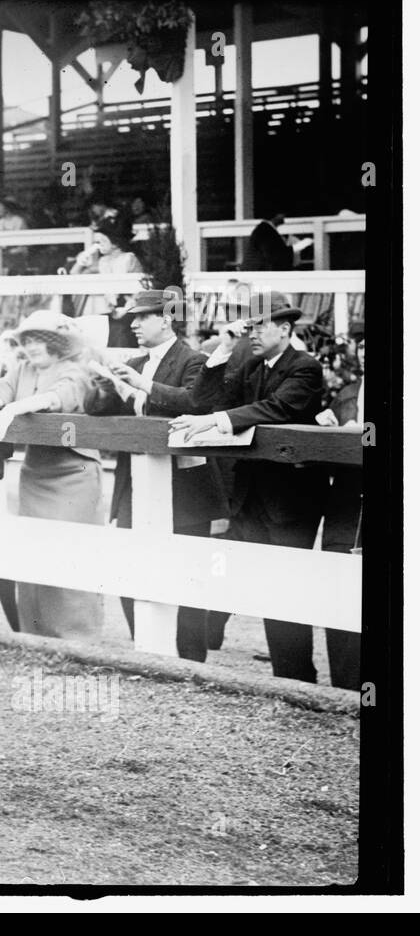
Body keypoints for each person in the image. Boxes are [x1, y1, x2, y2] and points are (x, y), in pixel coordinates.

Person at [171, 292, 328, 684]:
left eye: (259, 325)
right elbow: (204, 400)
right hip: (251, 499)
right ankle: (263, 675)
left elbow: (277, 408)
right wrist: (224, 347)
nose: (251, 333)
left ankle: (296, 681)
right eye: (249, 325)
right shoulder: (252, 365)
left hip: (290, 501)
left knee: (285, 593)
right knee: (236, 579)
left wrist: (219, 421)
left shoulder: (304, 367)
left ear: (285, 329)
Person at [84, 289, 227, 661]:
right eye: (132, 317)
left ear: (166, 319)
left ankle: (191, 662)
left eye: (141, 317)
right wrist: (99, 382)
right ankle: (148, 653)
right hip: (135, 484)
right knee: (129, 570)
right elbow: (101, 410)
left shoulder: (196, 361)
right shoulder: (133, 361)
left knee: (187, 575)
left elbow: (196, 402)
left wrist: (141, 383)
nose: (132, 324)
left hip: (186, 488)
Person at [0, 310, 104, 640]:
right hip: (34, 473)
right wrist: (0, 353)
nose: (33, 345)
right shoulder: (21, 368)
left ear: (56, 343)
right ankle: (35, 635)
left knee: (68, 555)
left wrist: (14, 409)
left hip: (74, 475)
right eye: (28, 339)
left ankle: (77, 638)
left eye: (41, 339)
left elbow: (59, 398)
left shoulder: (73, 369)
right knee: (32, 555)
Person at [317, 323, 364, 689]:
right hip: (345, 506)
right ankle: (344, 685)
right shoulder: (346, 393)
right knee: (338, 587)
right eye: (363, 345)